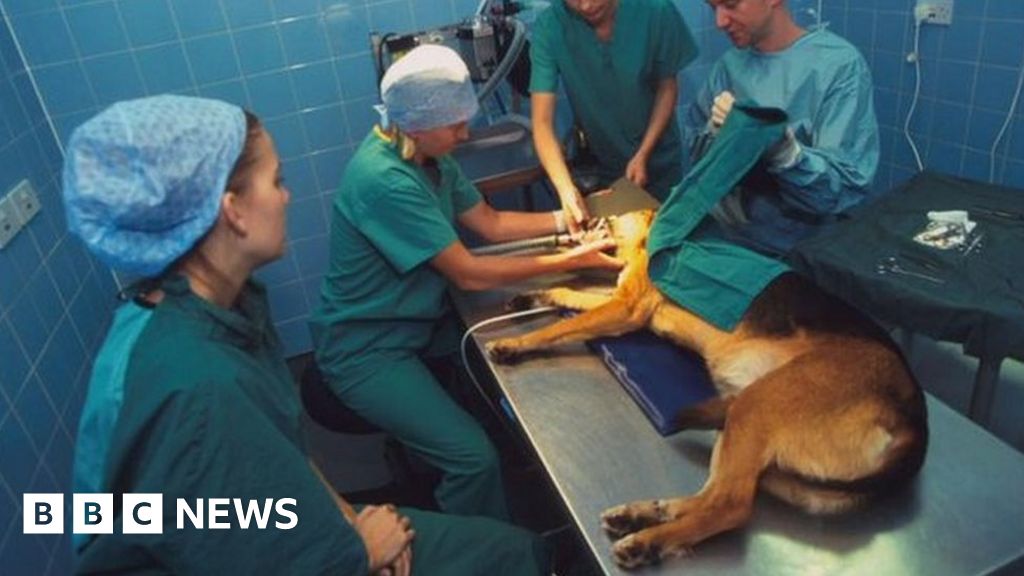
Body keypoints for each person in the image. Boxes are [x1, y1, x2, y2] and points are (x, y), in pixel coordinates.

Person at [65, 95, 548, 575]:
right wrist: (359, 554)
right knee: (509, 557)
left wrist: (343, 519)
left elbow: (279, 457)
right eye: (276, 181)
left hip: (275, 531)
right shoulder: (199, 387)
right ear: (232, 209)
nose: (286, 196)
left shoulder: (216, 308)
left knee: (505, 548)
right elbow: (208, 543)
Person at [310, 45, 622, 523]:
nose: (466, 131)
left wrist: (569, 218)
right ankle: (483, 551)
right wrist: (570, 258)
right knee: (473, 459)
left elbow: (491, 224)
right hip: (365, 350)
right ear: (416, 123)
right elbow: (468, 272)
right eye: (455, 123)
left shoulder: (430, 158)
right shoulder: (385, 179)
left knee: (497, 375)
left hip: (415, 325)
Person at [686, 0, 880, 256]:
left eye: (731, 5)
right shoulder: (729, 66)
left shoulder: (838, 66)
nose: (720, 22)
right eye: (714, 8)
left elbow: (844, 189)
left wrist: (786, 154)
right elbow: (699, 160)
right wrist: (715, 134)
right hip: (731, 240)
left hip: (803, 253)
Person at [530, 0, 698, 226]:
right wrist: (566, 188)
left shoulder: (655, 10)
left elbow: (667, 88)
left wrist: (643, 153)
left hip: (662, 162)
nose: (586, 7)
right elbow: (542, 124)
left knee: (671, 235)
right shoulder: (550, 27)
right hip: (606, 167)